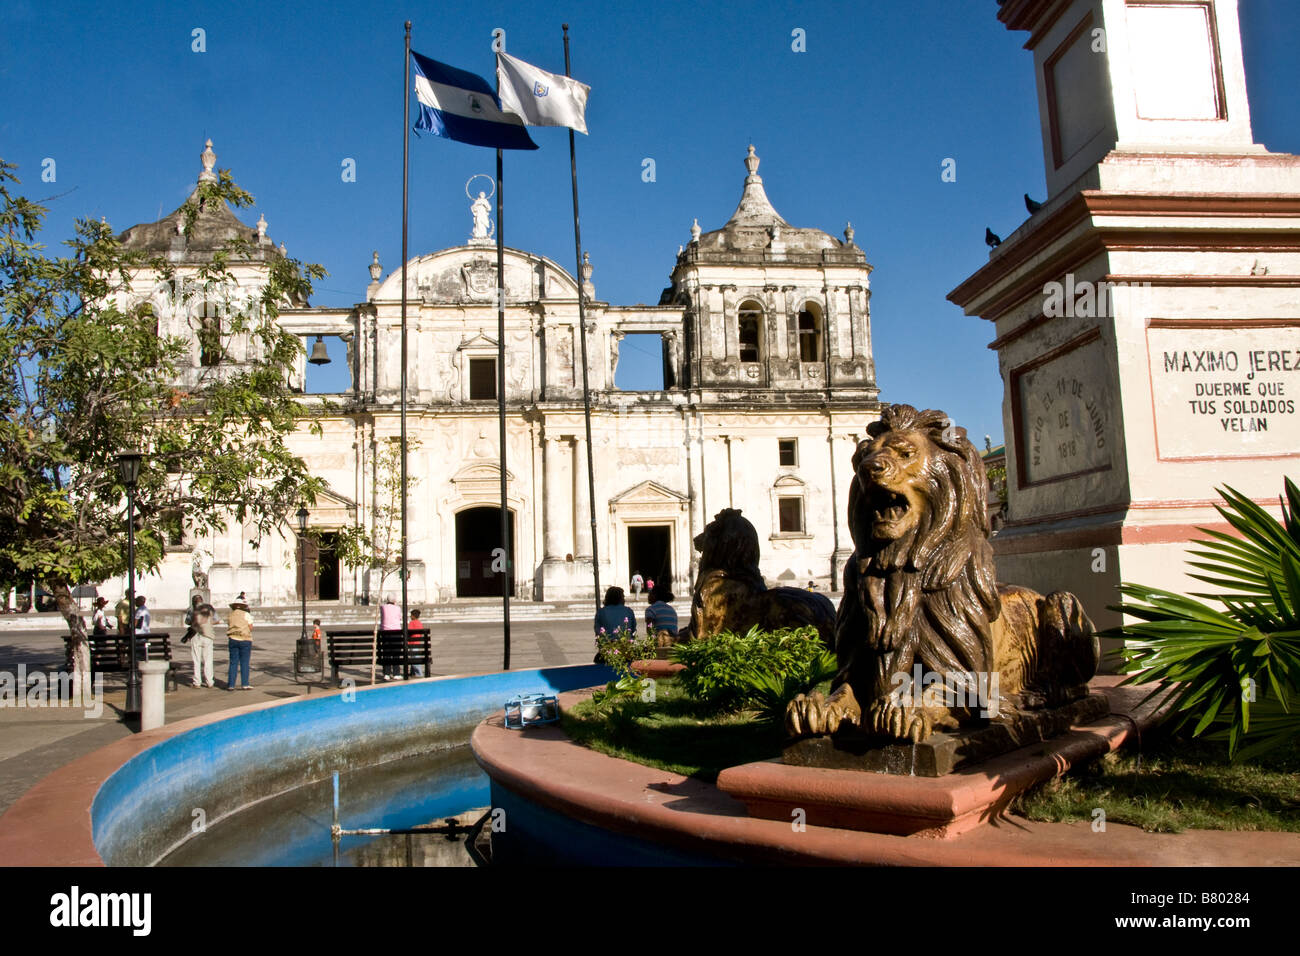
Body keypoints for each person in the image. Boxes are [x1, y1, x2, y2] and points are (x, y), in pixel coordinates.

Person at [190, 600, 220, 688]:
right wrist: (209, 623)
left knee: (196, 660)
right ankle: (210, 681)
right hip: (208, 635)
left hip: (196, 635)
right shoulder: (210, 609)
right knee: (208, 660)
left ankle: (197, 682)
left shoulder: (193, 611)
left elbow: (189, 622)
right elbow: (217, 620)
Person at [226, 598, 254, 690]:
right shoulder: (246, 614)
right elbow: (250, 627)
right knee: (244, 662)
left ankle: (231, 685)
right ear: (243, 606)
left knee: (233, 663)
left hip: (233, 639)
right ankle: (245, 684)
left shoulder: (230, 615)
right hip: (245, 639)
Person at [644, 583, 679, 647]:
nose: (648, 596)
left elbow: (649, 628)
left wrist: (650, 643)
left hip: (660, 642)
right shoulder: (671, 609)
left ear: (655, 595)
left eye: (650, 594)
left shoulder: (651, 609)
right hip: (674, 641)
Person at [379, 596, 402, 680]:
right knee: (396, 653)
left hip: (385, 632)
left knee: (387, 653)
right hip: (396, 632)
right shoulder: (398, 608)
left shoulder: (382, 607)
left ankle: (386, 673)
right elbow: (399, 618)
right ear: (395, 601)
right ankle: (396, 673)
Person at [407, 608, 425, 678]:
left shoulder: (412, 623)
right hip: (417, 643)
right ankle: (413, 672)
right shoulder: (419, 623)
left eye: (411, 615)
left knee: (414, 658)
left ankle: (419, 673)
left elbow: (408, 631)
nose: (410, 617)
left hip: (412, 643)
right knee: (415, 657)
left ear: (413, 616)